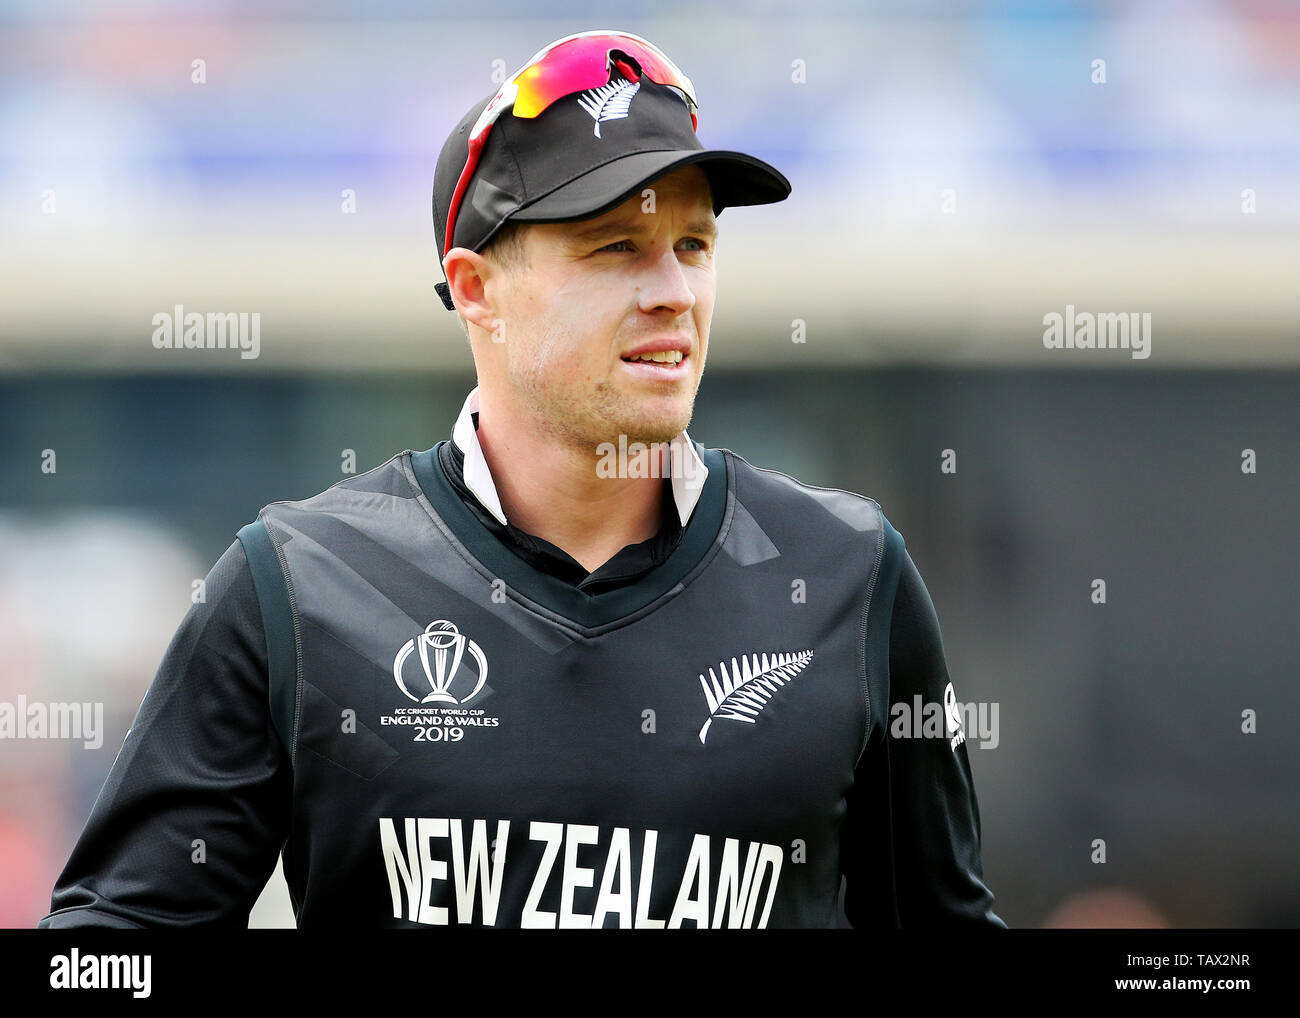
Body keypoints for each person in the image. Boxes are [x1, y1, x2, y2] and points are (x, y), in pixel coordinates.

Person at [39, 29, 1003, 929]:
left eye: (694, 245)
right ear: (475, 289)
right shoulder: (292, 587)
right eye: (615, 246)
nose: (671, 288)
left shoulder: (847, 572)